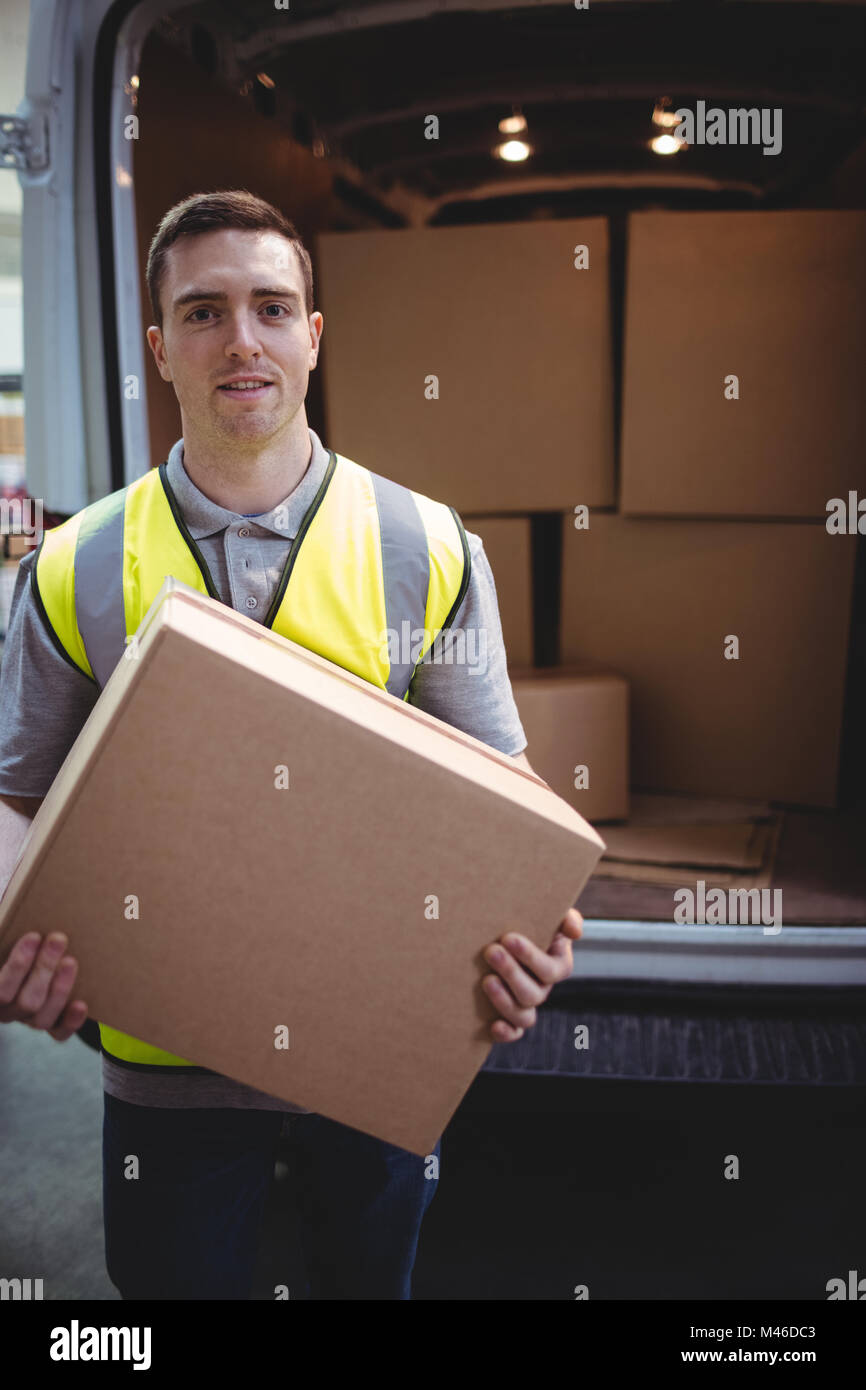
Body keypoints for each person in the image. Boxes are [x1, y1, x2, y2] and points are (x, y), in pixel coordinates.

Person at [0, 189, 584, 1300]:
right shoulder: (75, 565)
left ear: (313, 336)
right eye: (205, 311)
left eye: (272, 307)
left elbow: (505, 804)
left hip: (374, 1067)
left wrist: (534, 933)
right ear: (160, 342)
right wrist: (11, 928)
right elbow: (14, 794)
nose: (243, 341)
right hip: (163, 1076)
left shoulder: (424, 546)